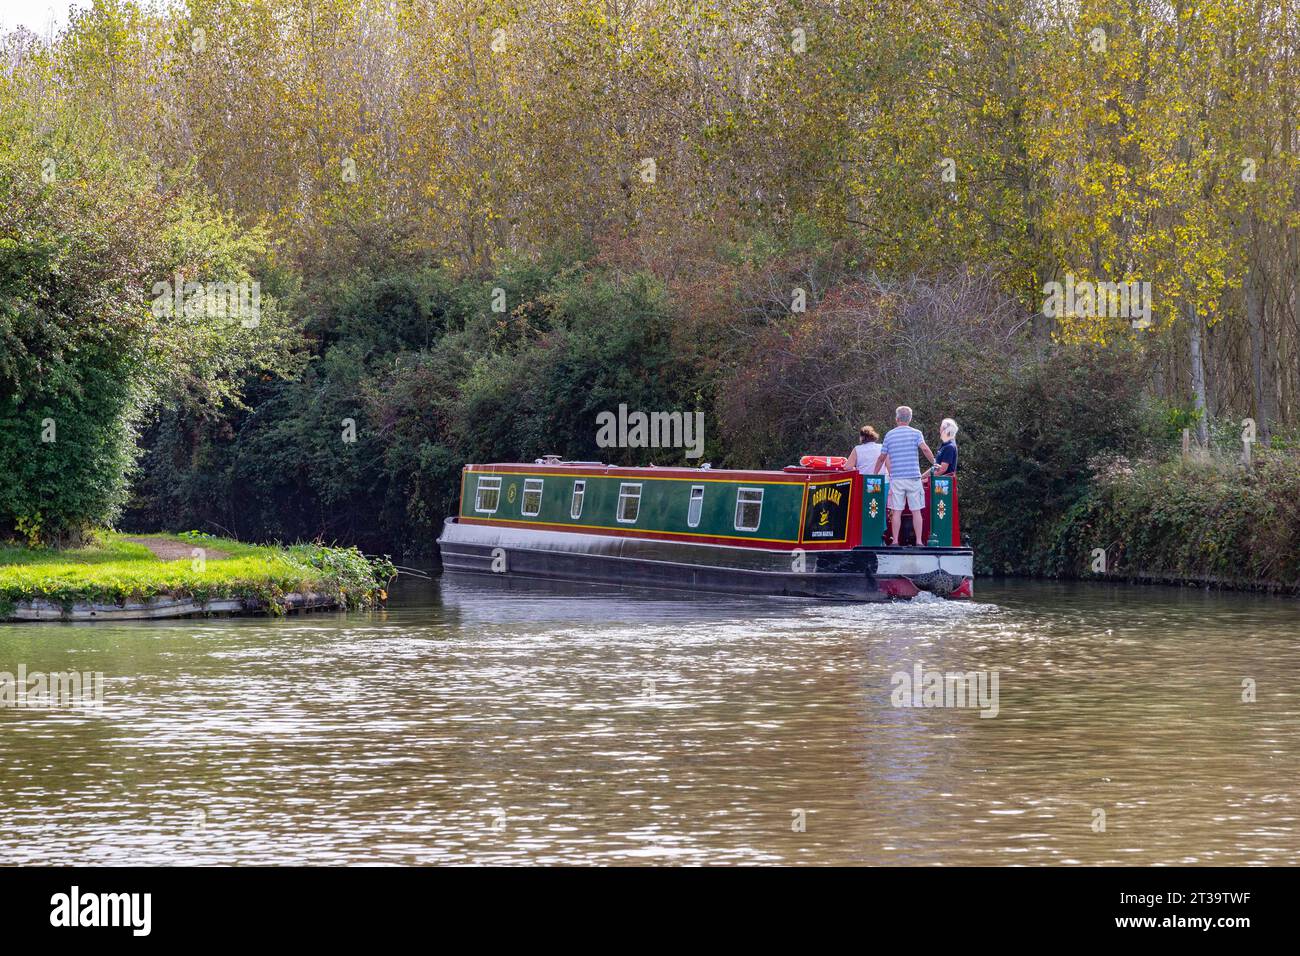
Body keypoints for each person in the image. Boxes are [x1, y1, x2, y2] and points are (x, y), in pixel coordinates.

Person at [874, 405, 936, 547]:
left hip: (896, 478)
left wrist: (874, 473)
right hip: (914, 477)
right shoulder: (916, 433)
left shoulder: (889, 435)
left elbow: (882, 457)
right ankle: (919, 542)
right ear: (910, 419)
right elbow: (925, 449)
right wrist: (934, 462)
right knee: (916, 511)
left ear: (896, 419)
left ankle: (895, 541)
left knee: (897, 511)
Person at [925, 418, 959, 482]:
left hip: (944, 485)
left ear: (946, 430)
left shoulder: (949, 447)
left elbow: (943, 469)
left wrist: (926, 480)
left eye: (941, 429)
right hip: (939, 483)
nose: (939, 431)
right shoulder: (944, 445)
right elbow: (935, 467)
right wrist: (921, 477)